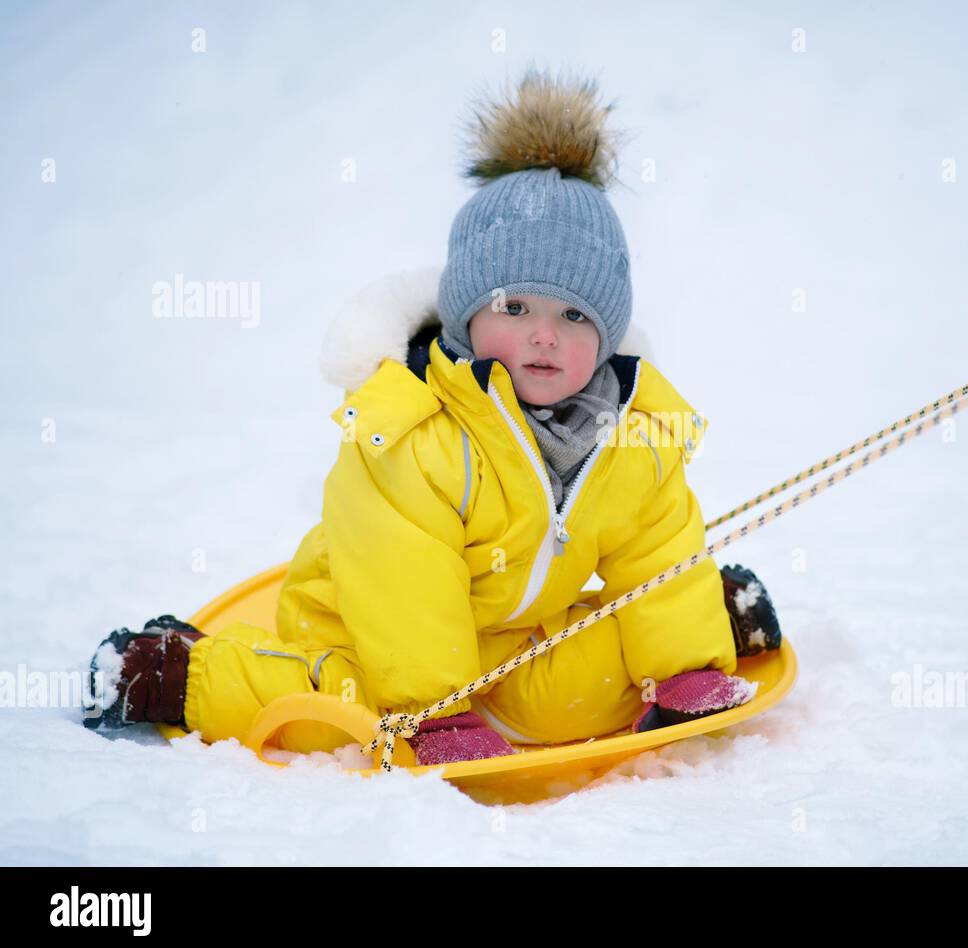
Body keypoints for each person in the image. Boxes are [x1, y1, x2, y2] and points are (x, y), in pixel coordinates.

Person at [82, 68, 782, 766]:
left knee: (587, 690)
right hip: (365, 626)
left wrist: (686, 663)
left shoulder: (629, 430)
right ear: (465, 315)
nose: (545, 335)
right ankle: (178, 674)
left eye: (574, 315)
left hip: (509, 640)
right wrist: (436, 710)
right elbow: (401, 580)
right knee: (338, 714)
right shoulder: (412, 429)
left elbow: (659, 549)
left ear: (607, 333)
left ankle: (706, 620)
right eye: (515, 308)